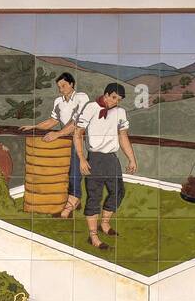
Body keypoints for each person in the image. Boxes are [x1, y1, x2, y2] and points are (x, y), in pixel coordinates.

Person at [74, 83, 137, 251]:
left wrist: (131, 159)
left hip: (112, 159)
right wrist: (81, 158)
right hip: (94, 159)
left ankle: (105, 224)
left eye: (120, 100)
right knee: (94, 197)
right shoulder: (91, 108)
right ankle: (93, 236)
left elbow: (123, 137)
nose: (116, 102)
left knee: (118, 192)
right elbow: (78, 134)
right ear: (106, 94)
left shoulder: (120, 112)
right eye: (114, 97)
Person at [21, 72, 89, 218]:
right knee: (62, 172)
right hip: (65, 139)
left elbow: (76, 123)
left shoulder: (81, 98)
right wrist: (35, 127)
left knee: (74, 171)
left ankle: (73, 200)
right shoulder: (58, 101)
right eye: (59, 86)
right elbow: (52, 121)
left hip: (79, 138)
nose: (61, 89)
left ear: (72, 84)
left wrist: (57, 134)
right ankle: (71, 200)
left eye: (63, 85)